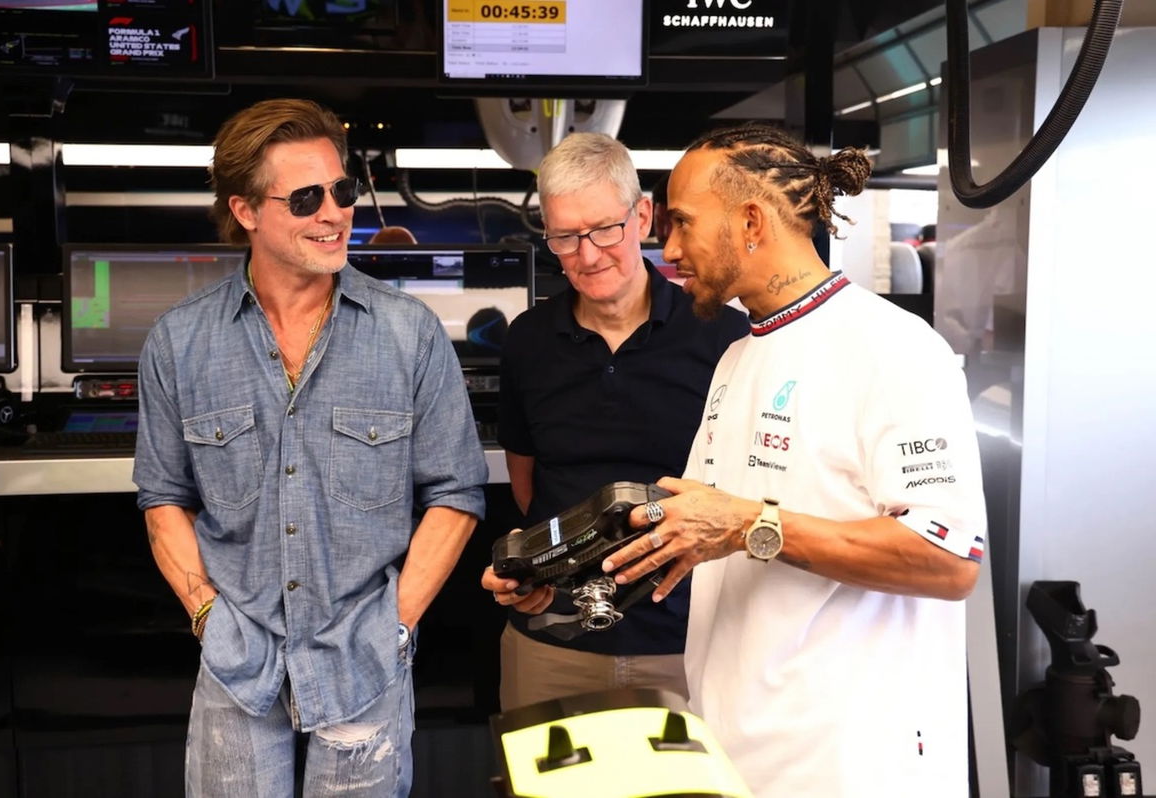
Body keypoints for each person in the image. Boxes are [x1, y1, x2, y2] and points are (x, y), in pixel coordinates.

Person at [595, 123, 988, 795]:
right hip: (737, 751)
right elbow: (703, 525)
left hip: (847, 767)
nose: (671, 248)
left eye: (685, 224)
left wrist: (750, 525)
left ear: (751, 221)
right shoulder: (738, 356)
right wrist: (562, 584)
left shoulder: (893, 348)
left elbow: (949, 562)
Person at [133, 98, 487, 797]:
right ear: (245, 211)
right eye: (305, 198)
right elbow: (164, 496)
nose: (334, 212)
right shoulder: (179, 343)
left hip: (365, 660)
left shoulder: (408, 334)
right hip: (239, 664)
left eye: (343, 190)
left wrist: (396, 620)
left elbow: (456, 493)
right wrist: (206, 612)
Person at [481, 132, 748, 710]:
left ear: (643, 216)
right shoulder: (528, 340)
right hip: (552, 641)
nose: (589, 254)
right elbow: (527, 482)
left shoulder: (723, 335)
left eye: (605, 229)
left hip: (688, 641)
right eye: (565, 237)